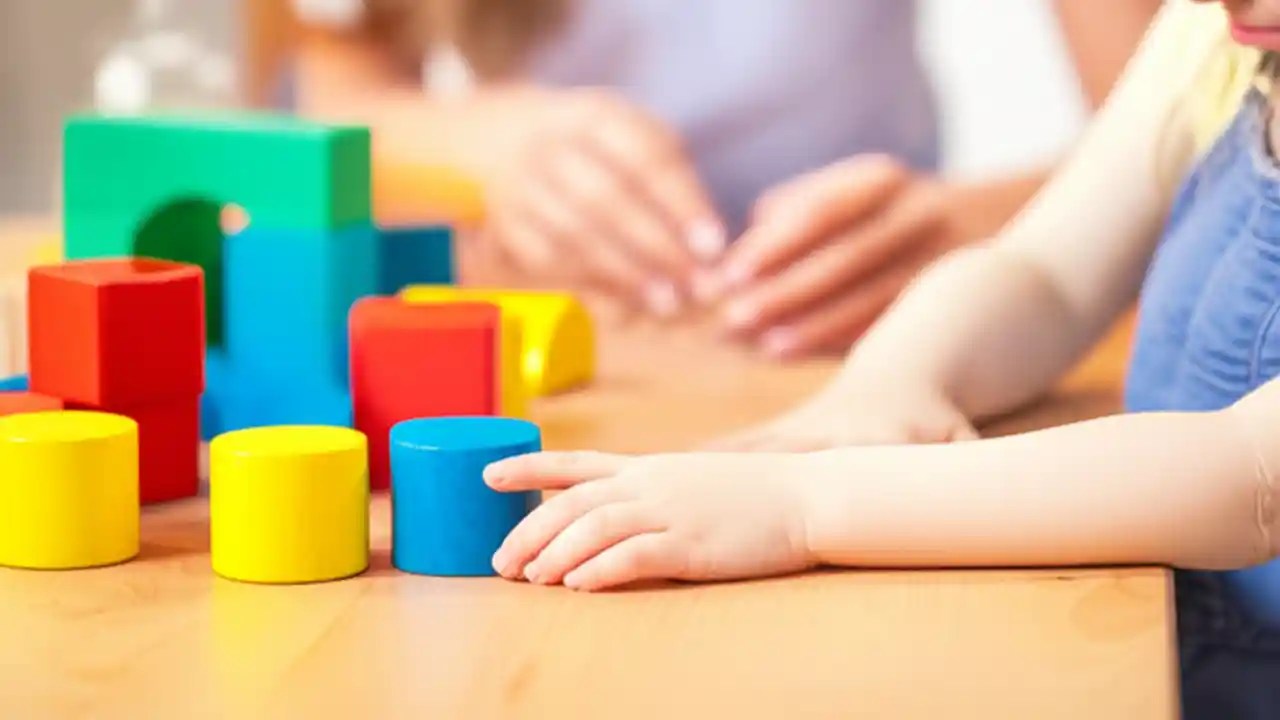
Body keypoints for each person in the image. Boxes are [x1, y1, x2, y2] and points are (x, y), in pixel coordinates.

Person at [481, 1, 1280, 715]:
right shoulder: (1213, 40)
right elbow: (1047, 276)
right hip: (1159, 653)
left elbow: (1248, 477)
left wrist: (801, 505)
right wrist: (891, 381)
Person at [292, 0, 1159, 357]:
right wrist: (485, 147)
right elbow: (324, 112)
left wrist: (996, 234)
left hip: (869, 344)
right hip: (573, 353)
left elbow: (1188, 121)